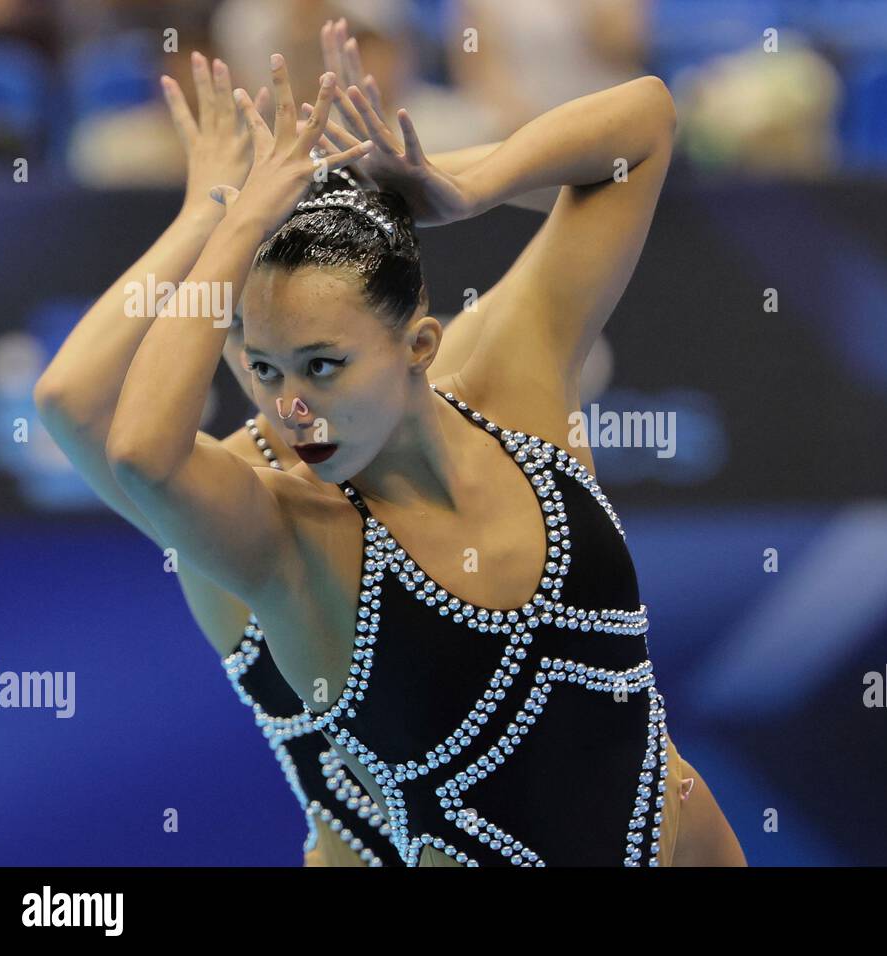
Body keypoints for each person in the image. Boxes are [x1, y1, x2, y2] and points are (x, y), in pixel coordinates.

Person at [105, 51, 745, 866]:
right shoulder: (292, 534)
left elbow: (647, 120)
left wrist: (470, 185)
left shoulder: (516, 382)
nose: (292, 406)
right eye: (265, 371)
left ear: (420, 343)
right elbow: (136, 454)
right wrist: (227, 222)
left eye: (324, 365)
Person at [33, 39, 559, 866]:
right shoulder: (230, 499)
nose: (280, 378)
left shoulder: (439, 419)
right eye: (249, 346)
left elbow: (620, 157)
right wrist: (208, 215)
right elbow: (68, 402)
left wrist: (444, 179)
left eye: (317, 352)